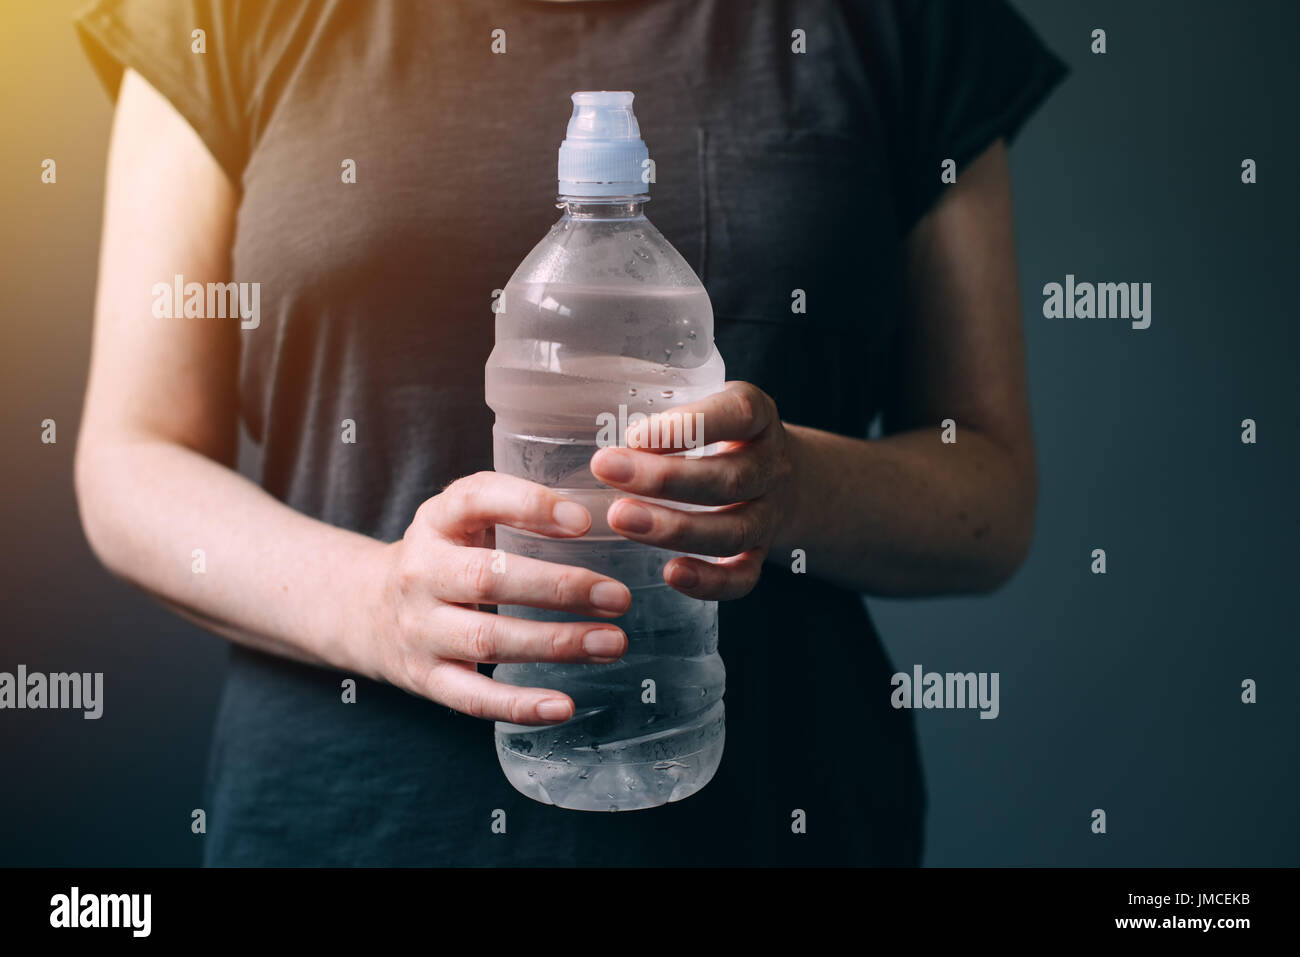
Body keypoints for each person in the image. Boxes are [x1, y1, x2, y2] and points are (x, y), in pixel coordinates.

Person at [73, 0, 1066, 865]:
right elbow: (131, 462)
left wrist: (793, 489)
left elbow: (988, 491)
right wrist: (376, 604)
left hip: (771, 818)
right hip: (345, 820)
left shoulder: (902, 15)